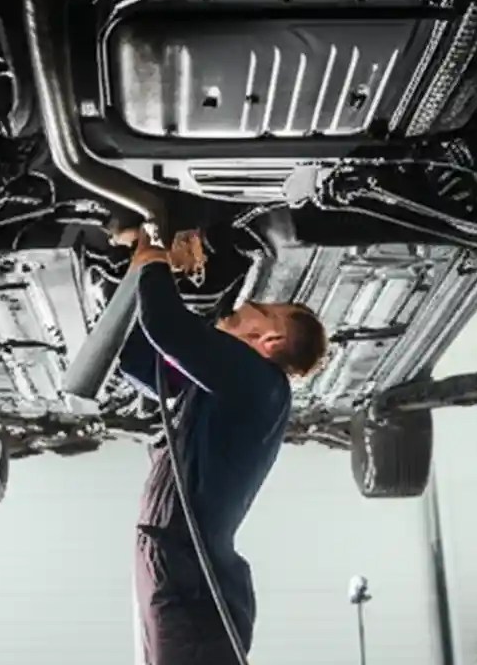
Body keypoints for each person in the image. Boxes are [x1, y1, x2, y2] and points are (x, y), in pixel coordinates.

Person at [119, 231, 328, 665]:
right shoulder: (255, 387)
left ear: (269, 340)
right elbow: (150, 355)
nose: (250, 306)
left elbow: (156, 341)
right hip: (190, 576)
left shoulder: (258, 382)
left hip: (180, 570)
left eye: (266, 310)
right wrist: (154, 268)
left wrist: (155, 261)